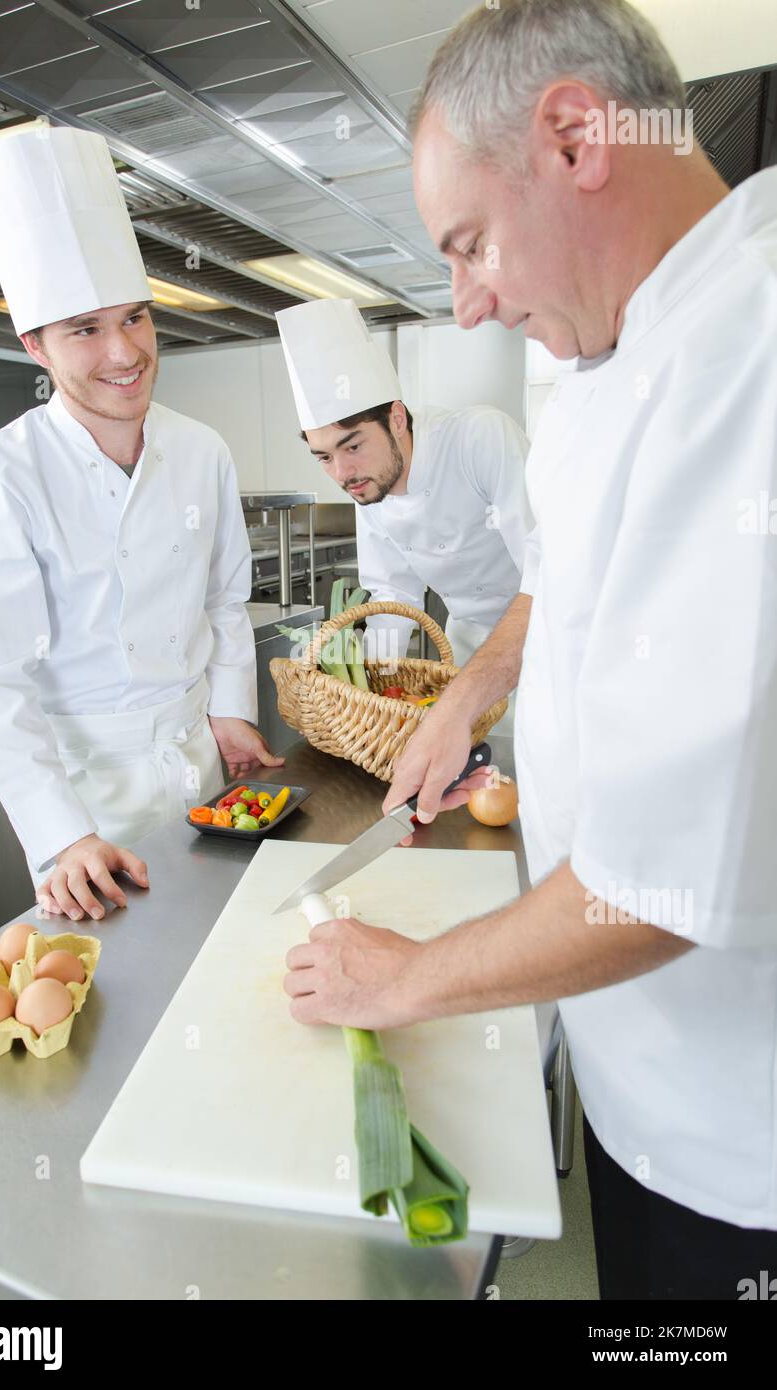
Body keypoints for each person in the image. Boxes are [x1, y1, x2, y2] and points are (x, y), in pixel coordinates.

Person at [283, 0, 777, 1299]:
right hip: (632, 1087)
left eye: (467, 245)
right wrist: (468, 700)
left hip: (738, 1146)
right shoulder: (612, 355)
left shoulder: (750, 354)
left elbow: (659, 888)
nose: (466, 303)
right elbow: (555, 588)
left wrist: (410, 979)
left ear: (573, 138)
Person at [0, 126, 282, 924]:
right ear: (35, 345)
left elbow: (225, 602)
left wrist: (230, 712)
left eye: (134, 317)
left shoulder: (201, 451)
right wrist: (63, 838)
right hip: (86, 803)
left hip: (201, 765)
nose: (125, 351)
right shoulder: (4, 475)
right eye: (85, 330)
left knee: (221, 945)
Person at [276, 297, 532, 672]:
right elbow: (393, 597)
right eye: (325, 457)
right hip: (466, 649)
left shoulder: (480, 439)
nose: (343, 473)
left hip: (545, 638)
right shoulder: (370, 487)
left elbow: (546, 567)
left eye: (354, 446)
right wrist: (370, 688)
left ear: (396, 419)